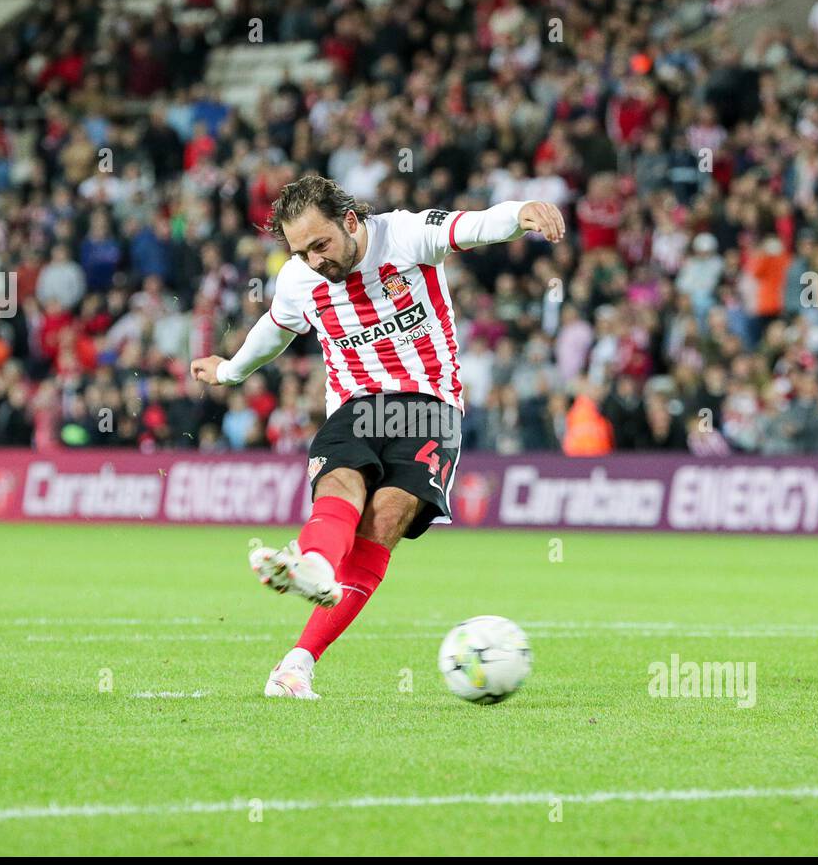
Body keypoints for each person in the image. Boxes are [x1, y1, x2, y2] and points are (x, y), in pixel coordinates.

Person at [191, 174, 564, 699]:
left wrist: (522, 211)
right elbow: (275, 330)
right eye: (302, 252)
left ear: (350, 222)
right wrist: (230, 371)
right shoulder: (301, 279)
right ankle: (314, 569)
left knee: (384, 518)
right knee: (342, 483)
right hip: (356, 406)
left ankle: (297, 660)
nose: (315, 260)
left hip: (429, 408)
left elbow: (473, 225)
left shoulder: (405, 236)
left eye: (320, 245)